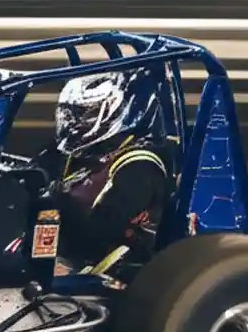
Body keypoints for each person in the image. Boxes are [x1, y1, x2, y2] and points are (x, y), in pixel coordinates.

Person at [32, 65, 180, 276]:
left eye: (87, 115)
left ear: (113, 113)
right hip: (59, 251)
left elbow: (100, 234)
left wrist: (55, 201)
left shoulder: (139, 166)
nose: (75, 123)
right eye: (71, 114)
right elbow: (36, 172)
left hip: (106, 270)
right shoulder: (77, 150)